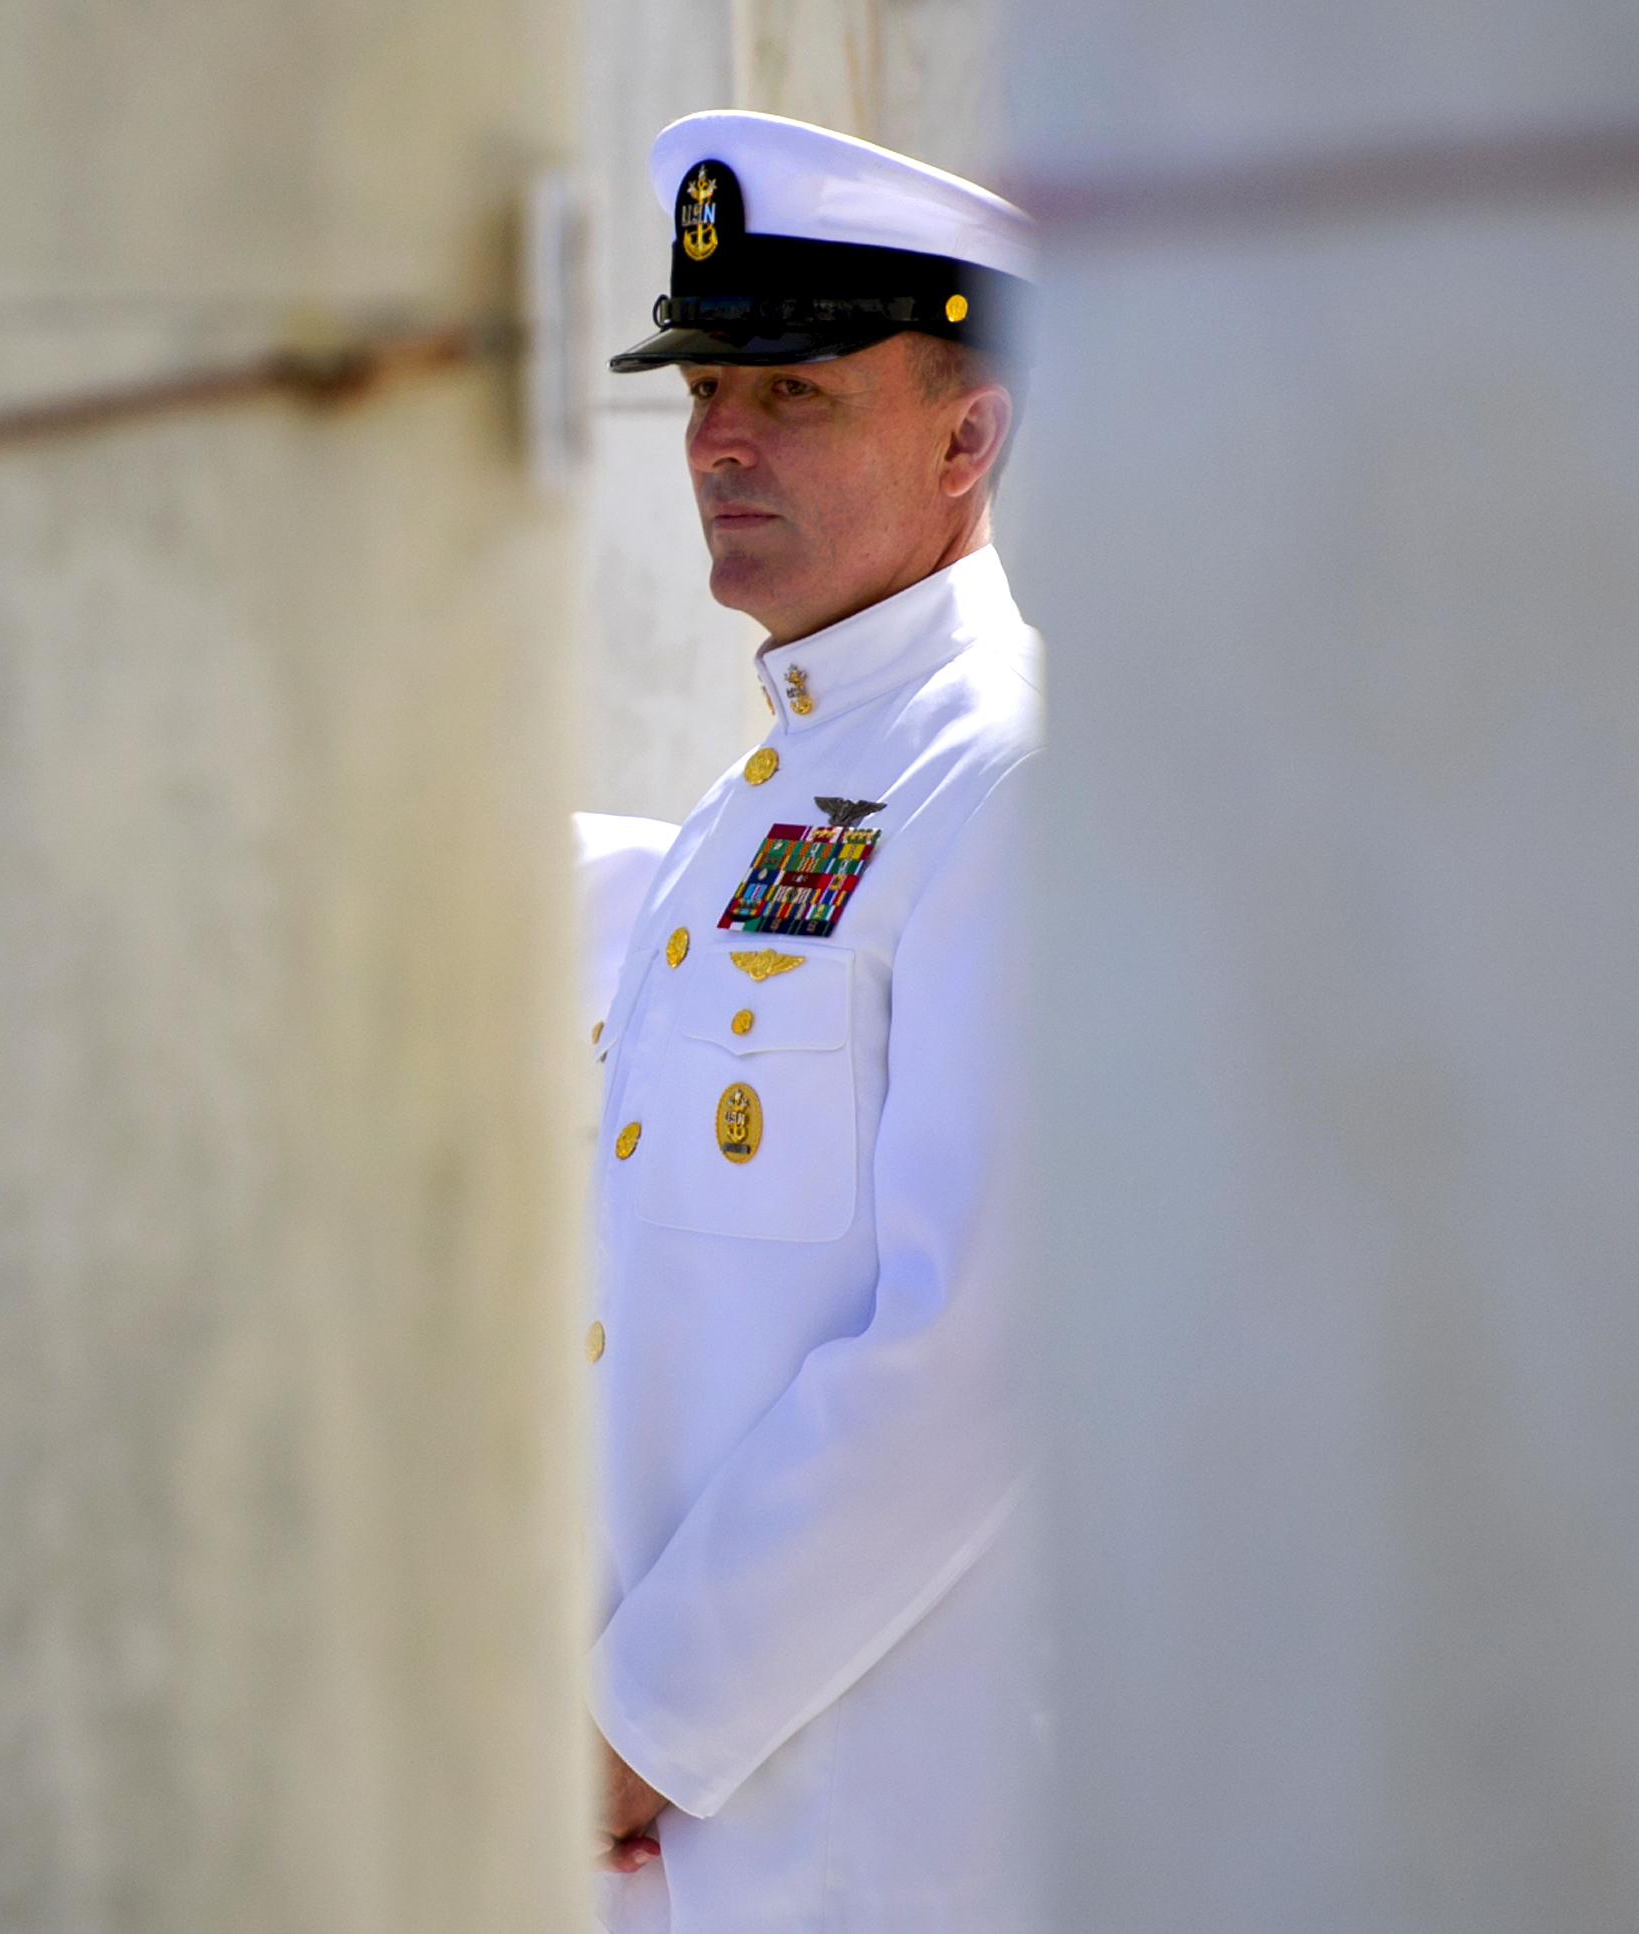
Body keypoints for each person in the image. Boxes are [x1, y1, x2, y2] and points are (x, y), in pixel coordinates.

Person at [584, 110, 1045, 1932]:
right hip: (705, 1840)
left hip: (881, 1842)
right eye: (706, 386)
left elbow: (971, 1355)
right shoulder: (771, 800)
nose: (718, 439)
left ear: (964, 436)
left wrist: (633, 1725)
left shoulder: (1011, 777)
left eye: (791, 390)